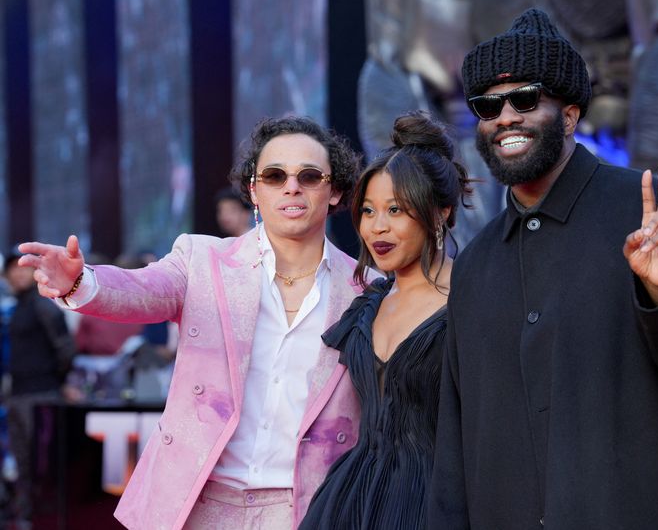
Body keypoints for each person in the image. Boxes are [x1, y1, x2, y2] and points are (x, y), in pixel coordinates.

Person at [428, 8, 658, 530]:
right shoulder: (475, 266)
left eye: (526, 98)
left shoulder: (650, 215)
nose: (506, 117)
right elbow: (456, 444)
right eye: (489, 106)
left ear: (569, 114)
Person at [19, 116, 379, 530]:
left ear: (334, 191)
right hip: (196, 502)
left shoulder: (366, 290)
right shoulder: (201, 260)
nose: (291, 186)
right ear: (253, 191)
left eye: (310, 176)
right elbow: (142, 289)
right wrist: (83, 282)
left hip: (309, 509)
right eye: (274, 175)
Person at [299, 112, 470, 530]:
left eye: (395, 210)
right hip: (349, 500)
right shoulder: (366, 306)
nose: (377, 227)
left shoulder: (473, 300)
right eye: (368, 211)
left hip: (434, 503)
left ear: (439, 213)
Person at [2, 247, 75, 528]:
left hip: (43, 395)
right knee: (21, 461)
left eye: (21, 268)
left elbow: (65, 348)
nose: (16, 274)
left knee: (41, 464)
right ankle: (26, 516)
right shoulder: (15, 307)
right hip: (18, 395)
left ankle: (44, 518)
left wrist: (56, 382)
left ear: (33, 273)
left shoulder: (43, 305)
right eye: (11, 270)